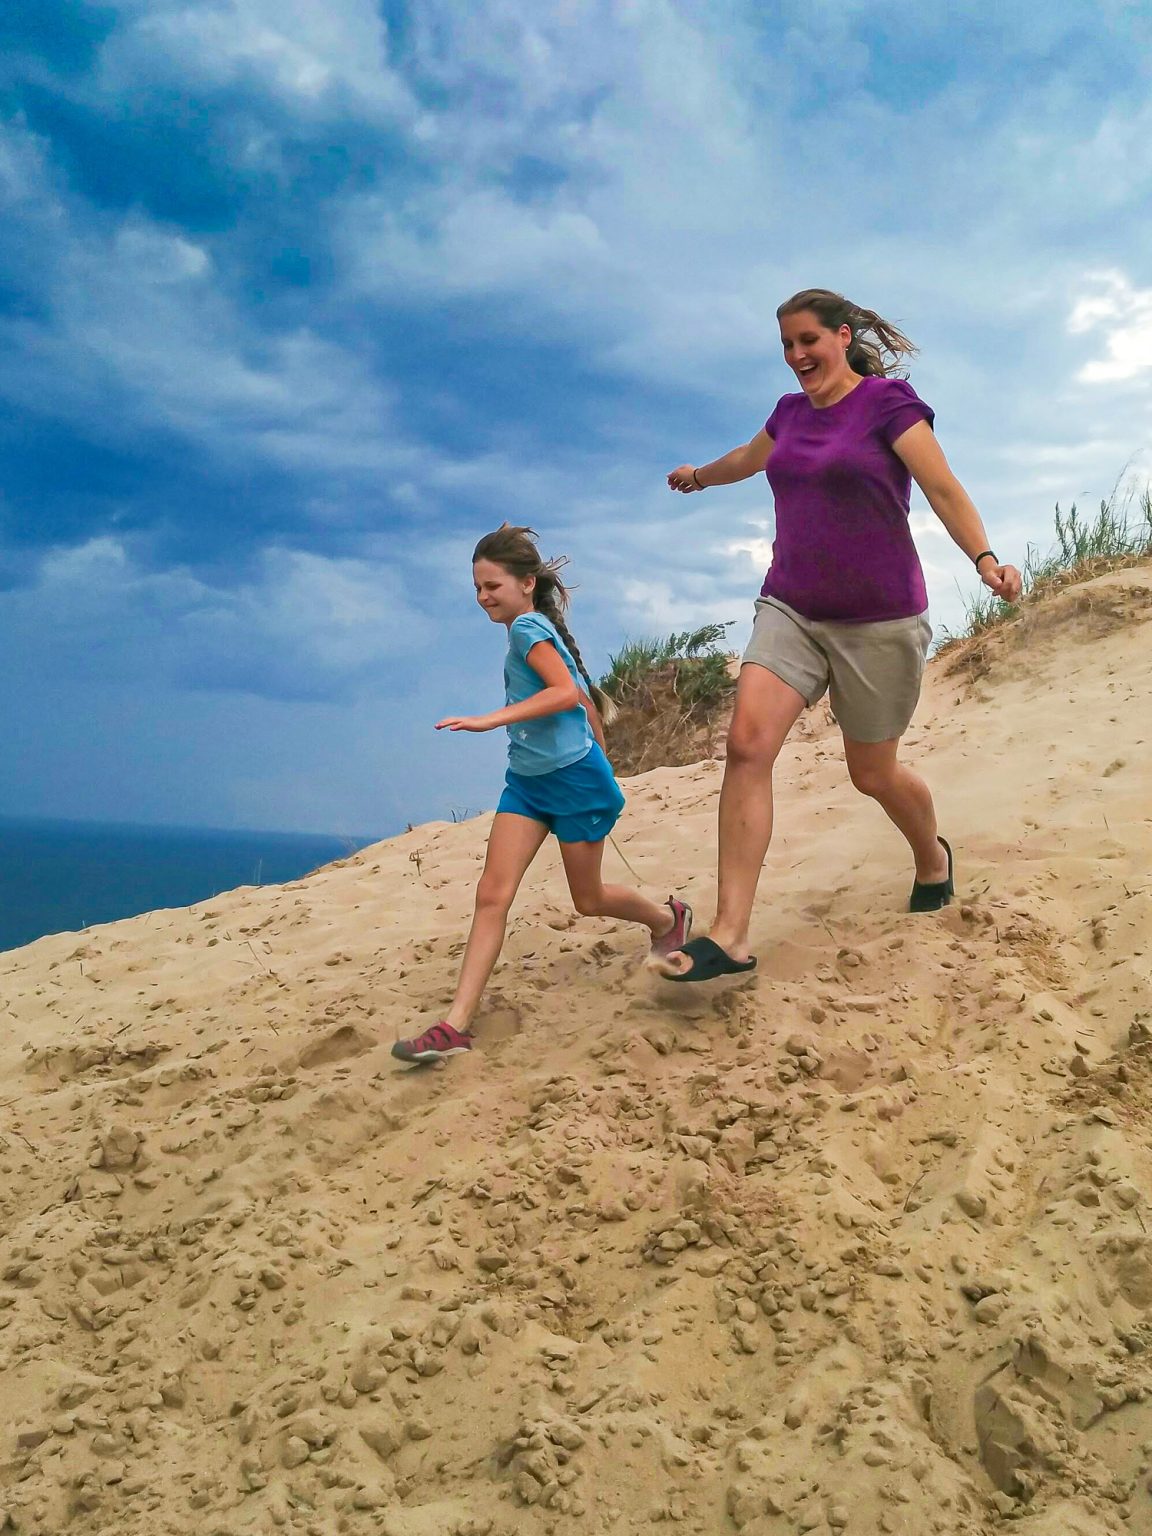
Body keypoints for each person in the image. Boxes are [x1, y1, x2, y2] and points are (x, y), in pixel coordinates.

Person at [659, 288, 1022, 982]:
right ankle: (728, 934)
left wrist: (984, 559)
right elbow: (750, 457)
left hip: (879, 620)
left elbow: (943, 488)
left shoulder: (888, 406)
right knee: (746, 746)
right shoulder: (790, 414)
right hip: (792, 606)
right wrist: (701, 478)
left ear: (842, 335)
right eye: (787, 346)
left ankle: (932, 858)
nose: (797, 356)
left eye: (808, 341)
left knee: (872, 773)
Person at [391, 525, 692, 1062]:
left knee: (589, 899)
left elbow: (561, 693)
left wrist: (490, 720)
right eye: (477, 587)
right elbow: (583, 698)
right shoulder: (531, 628)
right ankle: (456, 1023)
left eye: (492, 585)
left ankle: (669, 920)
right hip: (528, 784)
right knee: (492, 894)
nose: (483, 596)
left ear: (527, 584)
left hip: (573, 783)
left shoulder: (528, 628)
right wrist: (601, 749)